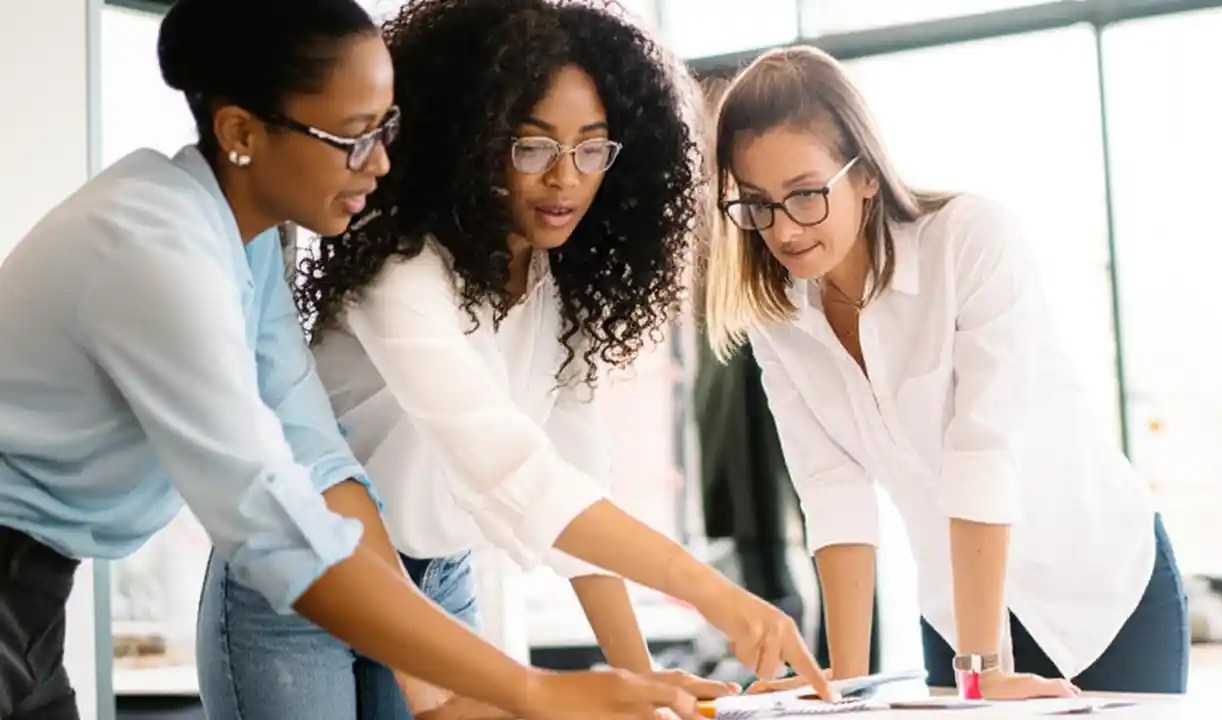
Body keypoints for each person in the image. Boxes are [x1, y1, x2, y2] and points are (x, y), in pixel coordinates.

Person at [0, 0, 730, 718]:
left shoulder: (244, 246)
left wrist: (449, 688)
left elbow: (320, 463)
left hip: (32, 601)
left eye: (385, 130)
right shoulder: (157, 251)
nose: (380, 163)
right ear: (241, 131)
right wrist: (529, 689)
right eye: (351, 137)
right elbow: (270, 521)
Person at [195, 2, 831, 719]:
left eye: (592, 149)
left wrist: (651, 689)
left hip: (438, 582)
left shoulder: (567, 287)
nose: (566, 179)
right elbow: (506, 469)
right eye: (533, 147)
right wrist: (714, 594)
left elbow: (573, 485)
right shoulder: (401, 267)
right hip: (302, 583)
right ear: (472, 139)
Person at [704, 46, 1189, 699]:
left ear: (866, 173)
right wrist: (843, 688)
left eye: (806, 195)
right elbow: (831, 490)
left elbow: (983, 453)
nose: (783, 230)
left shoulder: (971, 241)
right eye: (757, 204)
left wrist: (981, 673)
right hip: (956, 612)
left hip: (1102, 592)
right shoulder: (778, 316)